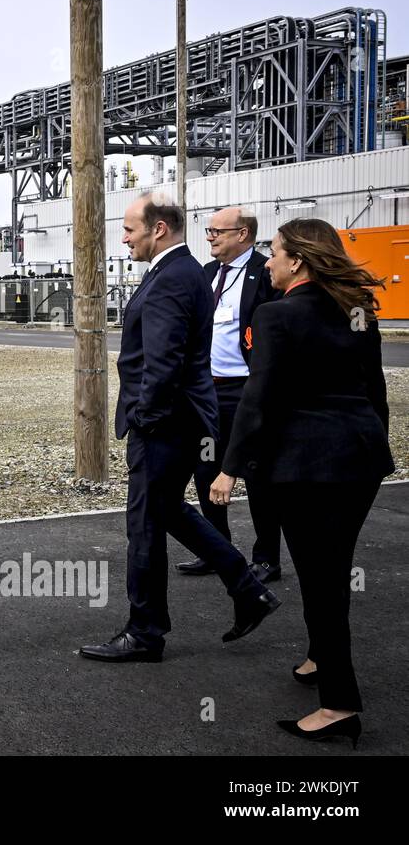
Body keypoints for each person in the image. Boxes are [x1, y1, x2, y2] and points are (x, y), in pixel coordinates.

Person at [212, 218, 391, 748]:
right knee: (330, 568)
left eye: (275, 252)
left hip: (308, 467)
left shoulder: (276, 315)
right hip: (359, 460)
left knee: (322, 580)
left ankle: (339, 705)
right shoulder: (358, 311)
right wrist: (373, 447)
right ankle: (319, 656)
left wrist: (229, 468)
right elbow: (375, 392)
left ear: (298, 261)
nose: (268, 261)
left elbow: (258, 397)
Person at [80, 194, 280, 663]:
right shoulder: (185, 271)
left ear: (159, 230)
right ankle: (247, 587)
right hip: (180, 420)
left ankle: (145, 632)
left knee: (144, 525)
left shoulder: (172, 278)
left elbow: (163, 362)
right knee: (167, 510)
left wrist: (144, 419)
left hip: (166, 424)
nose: (124, 239)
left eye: (129, 230)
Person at [179, 206, 283, 582]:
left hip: (246, 389)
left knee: (255, 472)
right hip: (208, 391)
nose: (210, 237)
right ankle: (217, 550)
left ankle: (267, 558)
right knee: (206, 467)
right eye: (208, 231)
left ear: (242, 234)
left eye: (217, 232)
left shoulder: (265, 272)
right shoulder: (207, 273)